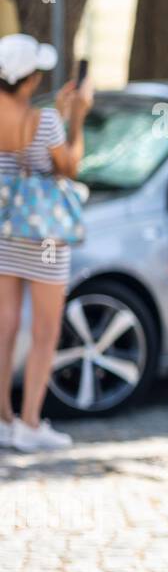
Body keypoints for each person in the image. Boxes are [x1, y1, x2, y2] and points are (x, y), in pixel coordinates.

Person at [0, 34, 93, 451]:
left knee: (3, 326)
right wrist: (77, 118)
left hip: (4, 230)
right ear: (29, 78)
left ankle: (3, 419)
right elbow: (68, 167)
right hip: (42, 236)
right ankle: (30, 423)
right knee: (44, 328)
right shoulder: (46, 121)